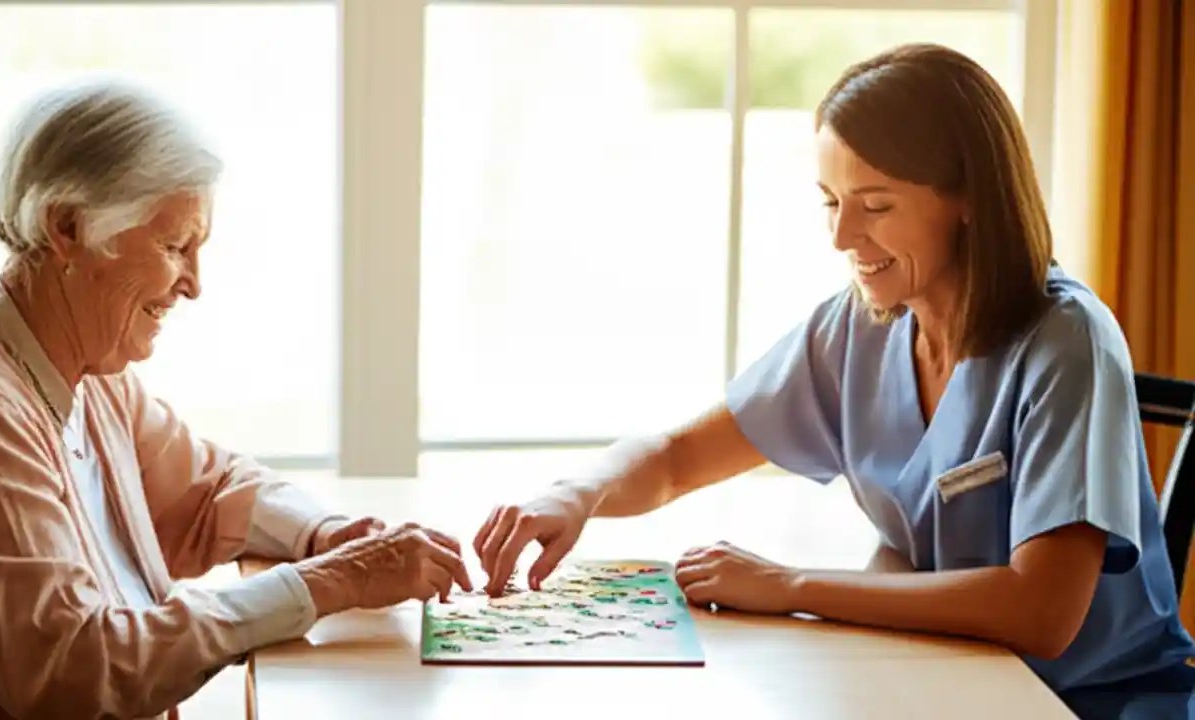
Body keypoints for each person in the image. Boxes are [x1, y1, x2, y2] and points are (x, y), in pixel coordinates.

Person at [472, 43, 1195, 718]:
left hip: (1084, 704)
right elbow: (675, 460)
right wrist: (576, 494)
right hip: (943, 675)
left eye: (876, 205)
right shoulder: (860, 327)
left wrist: (790, 588)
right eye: (831, 201)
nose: (843, 237)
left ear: (969, 198)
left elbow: (1042, 612)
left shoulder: (1066, 343)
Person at [0, 80, 470, 720]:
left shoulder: (85, 365)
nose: (195, 284)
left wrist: (330, 535)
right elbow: (73, 670)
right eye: (175, 246)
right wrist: (332, 581)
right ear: (67, 227)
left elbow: (208, 489)